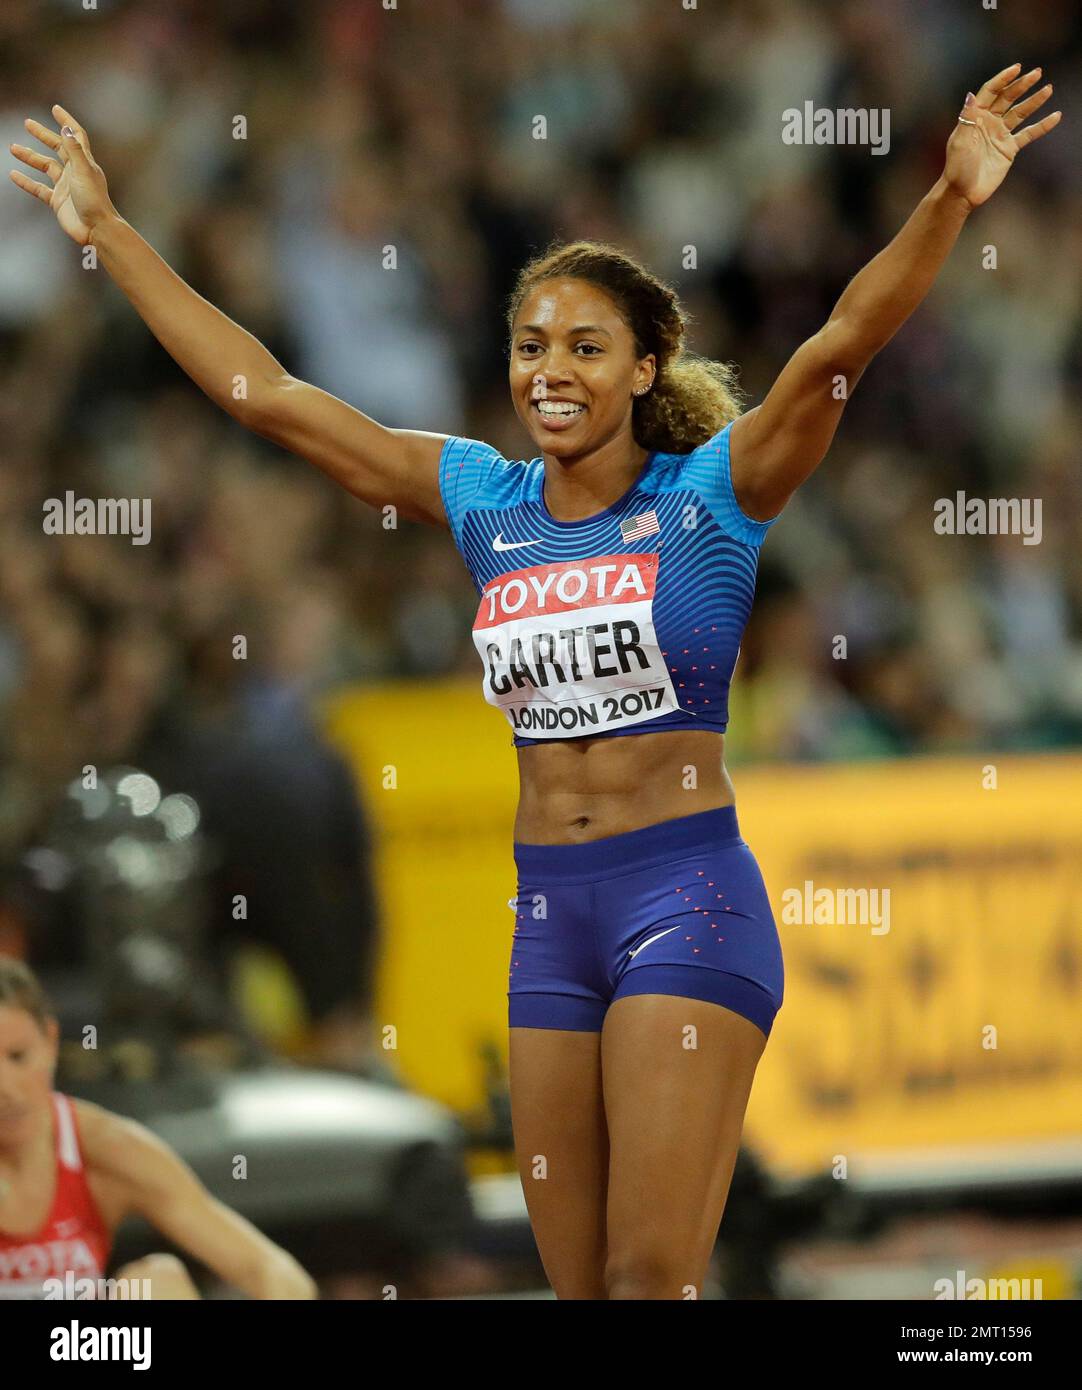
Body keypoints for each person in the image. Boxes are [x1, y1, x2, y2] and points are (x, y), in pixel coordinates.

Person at [8, 67, 1060, 1299]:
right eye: (527, 345)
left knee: (645, 1275)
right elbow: (272, 401)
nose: (547, 369)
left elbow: (836, 347)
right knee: (573, 1288)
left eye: (582, 346)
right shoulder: (481, 500)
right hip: (548, 919)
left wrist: (946, 193)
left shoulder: (711, 496)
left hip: (685, 900)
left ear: (642, 365)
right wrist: (110, 232)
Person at [0, 958, 317, 1299]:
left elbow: (268, 1268)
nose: (7, 1089)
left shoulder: (104, 1146)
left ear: (50, 1041)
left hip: (86, 1350)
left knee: (156, 1284)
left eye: (18, 1057)